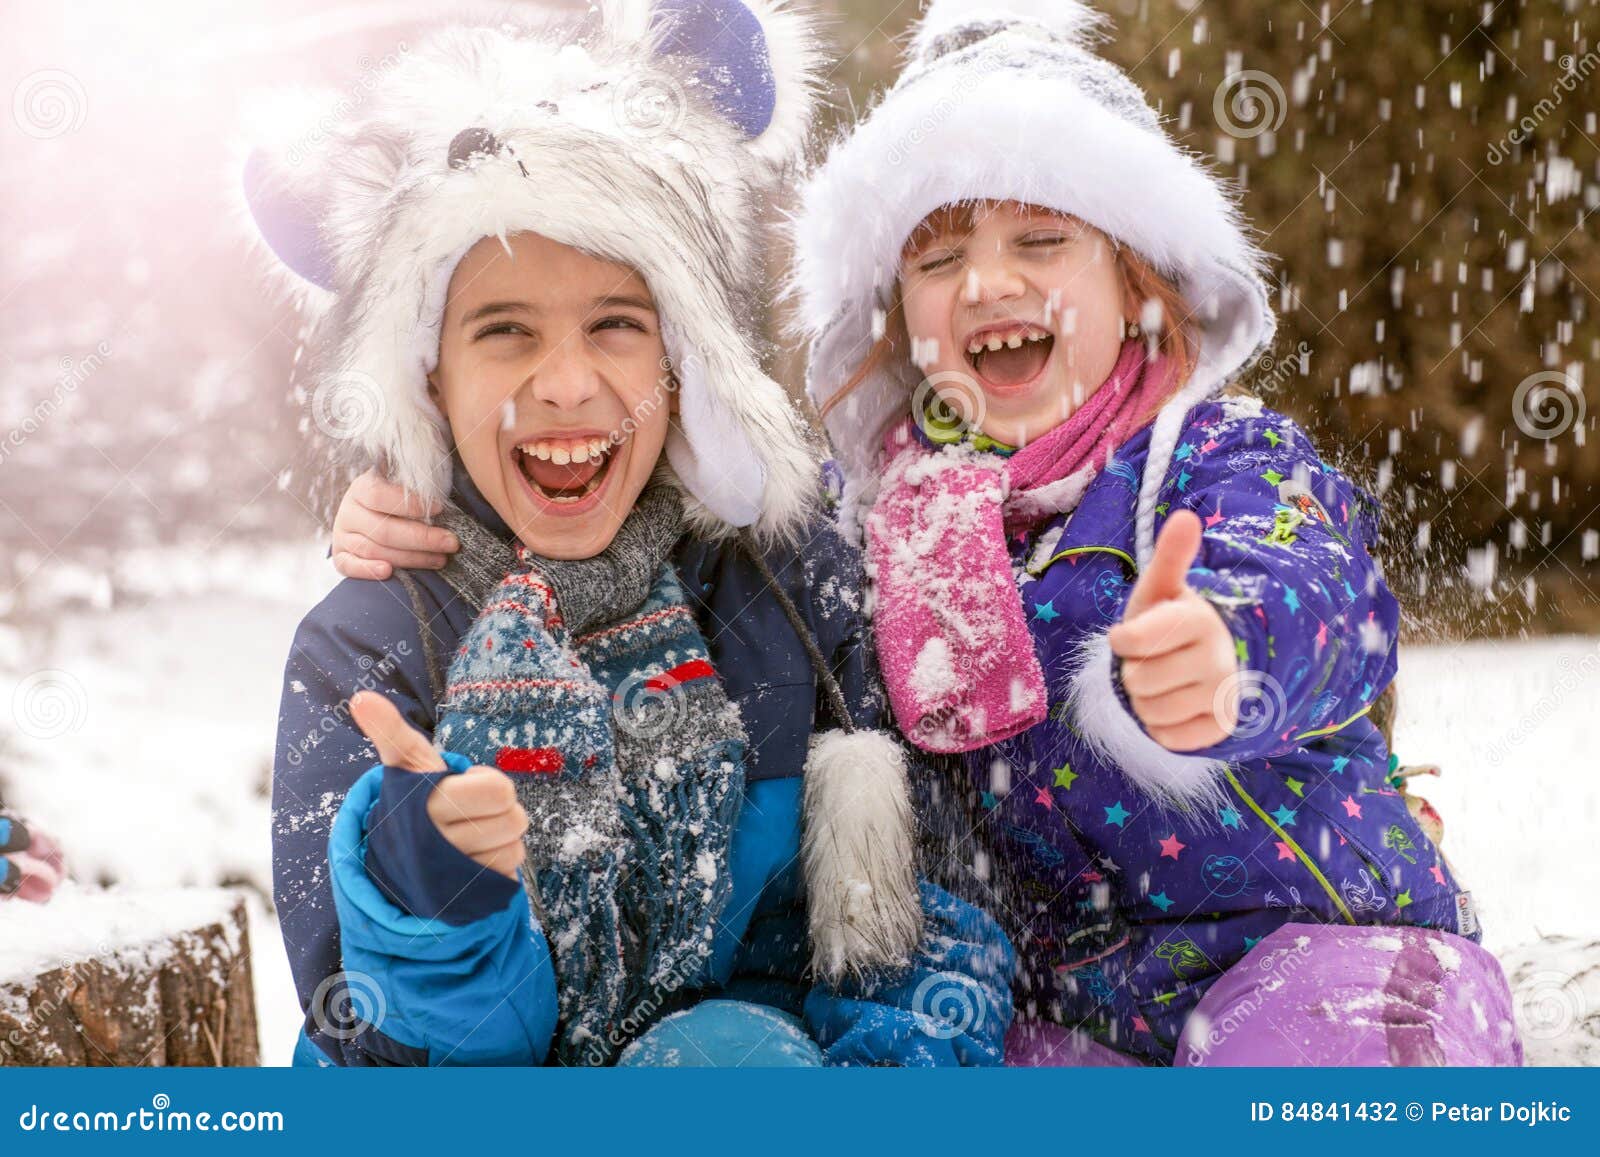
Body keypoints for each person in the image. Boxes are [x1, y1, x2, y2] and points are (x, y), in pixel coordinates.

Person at [249, 1, 1012, 1068]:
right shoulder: (368, 646)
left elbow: (935, 939)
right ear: (429, 379)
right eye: (503, 330)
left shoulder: (793, 591)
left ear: (684, 361)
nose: (566, 383)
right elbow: (363, 1045)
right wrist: (440, 895)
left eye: (615, 322)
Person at [783, 0, 1520, 1067]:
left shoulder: (1216, 455)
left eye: (1042, 239)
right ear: (896, 314)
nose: (987, 282)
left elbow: (1324, 591)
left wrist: (1227, 646)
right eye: (937, 261)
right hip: (1068, 1018)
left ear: (1135, 284)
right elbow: (745, 602)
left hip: (1321, 951)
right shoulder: (874, 525)